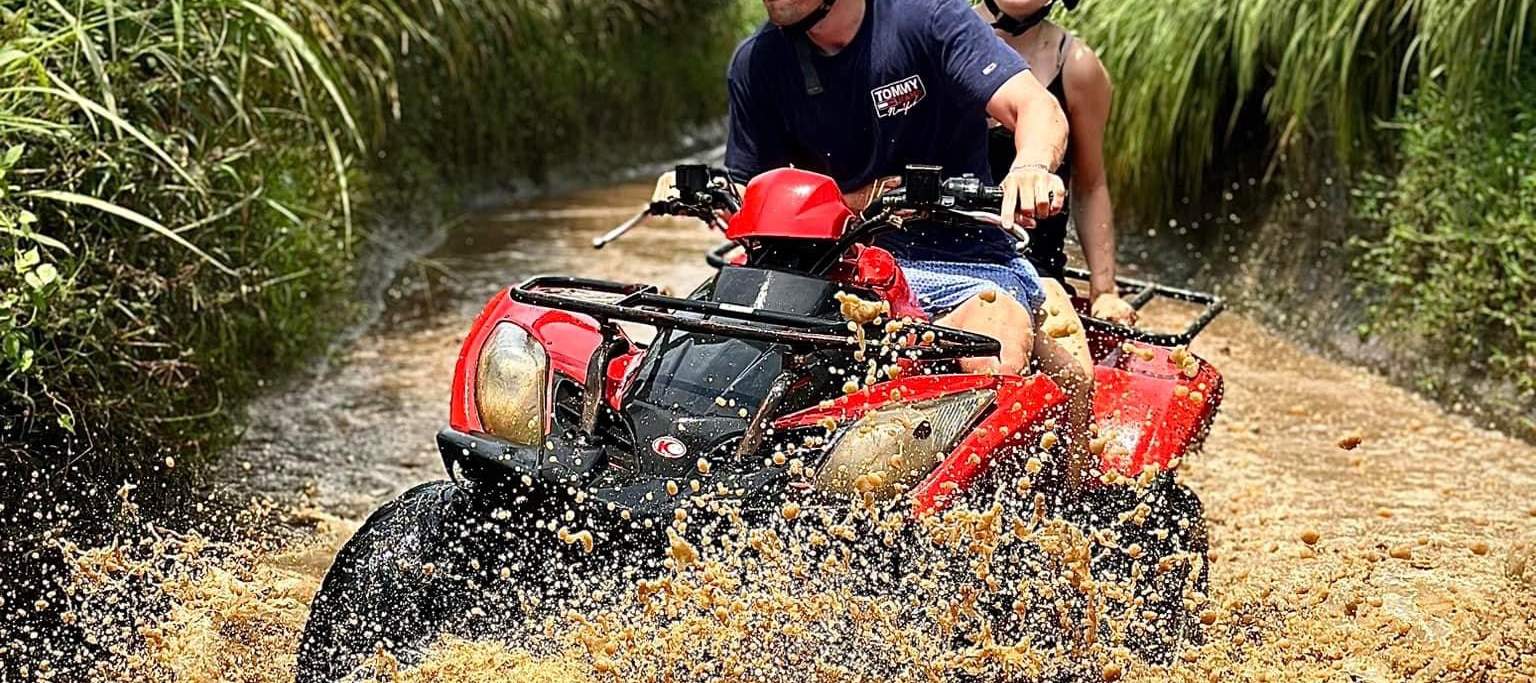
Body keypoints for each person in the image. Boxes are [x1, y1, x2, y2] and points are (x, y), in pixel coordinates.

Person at [657, 0, 1099, 481]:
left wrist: (1032, 166)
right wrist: (704, 194)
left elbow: (1036, 106)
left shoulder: (930, 18)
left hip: (964, 265)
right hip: (829, 270)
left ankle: (991, 518)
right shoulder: (757, 61)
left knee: (995, 346)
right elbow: (751, 191)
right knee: (700, 352)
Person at [976, 0, 1137, 326]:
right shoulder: (936, 37)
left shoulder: (1078, 67)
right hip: (936, 250)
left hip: (1031, 264)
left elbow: (1091, 184)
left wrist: (1104, 289)